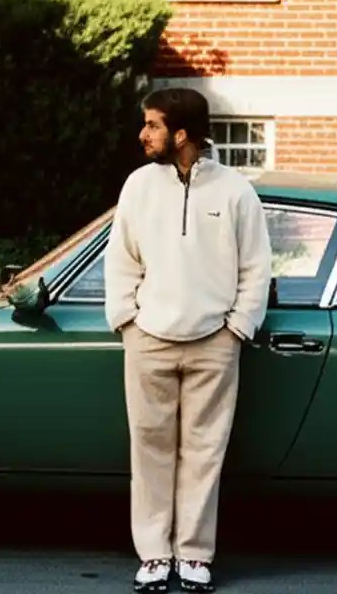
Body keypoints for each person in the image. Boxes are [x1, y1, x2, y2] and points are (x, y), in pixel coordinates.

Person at [104, 87, 273, 593]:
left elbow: (256, 265)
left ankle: (195, 556)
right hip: (149, 338)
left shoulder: (235, 190)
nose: (143, 134)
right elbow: (121, 258)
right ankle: (154, 555)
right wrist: (127, 322)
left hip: (213, 342)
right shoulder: (138, 186)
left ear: (181, 134)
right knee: (149, 449)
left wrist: (237, 327)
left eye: (152, 125)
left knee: (205, 451)